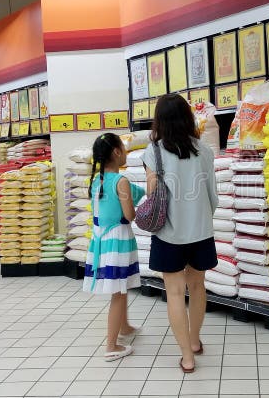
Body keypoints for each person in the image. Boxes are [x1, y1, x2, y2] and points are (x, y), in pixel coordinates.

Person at [143, 94, 219, 373]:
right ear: (188, 117)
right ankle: (196, 340)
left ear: (159, 120)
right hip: (200, 231)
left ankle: (187, 356)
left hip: (168, 234)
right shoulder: (204, 149)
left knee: (175, 293)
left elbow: (152, 194)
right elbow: (213, 196)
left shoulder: (154, 152)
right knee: (198, 287)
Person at [83, 133, 145, 362]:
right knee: (118, 293)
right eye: (124, 148)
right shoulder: (121, 182)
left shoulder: (97, 181)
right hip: (118, 240)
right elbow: (129, 215)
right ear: (117, 152)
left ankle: (125, 326)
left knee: (121, 287)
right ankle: (111, 345)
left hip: (101, 240)